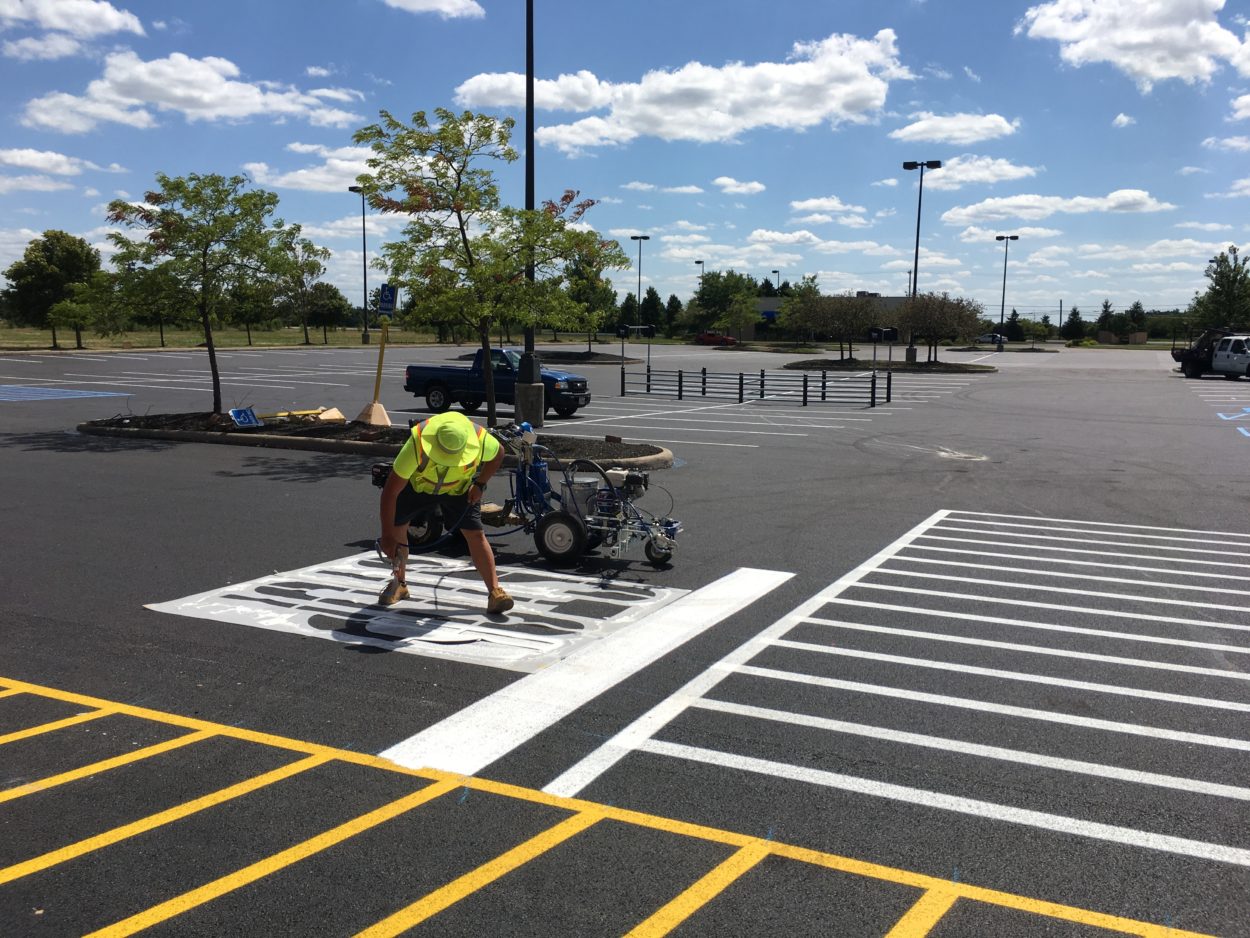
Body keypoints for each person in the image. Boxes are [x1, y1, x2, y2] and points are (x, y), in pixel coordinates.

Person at [377, 411, 513, 614]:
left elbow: (499, 453)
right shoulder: (417, 444)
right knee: (398, 530)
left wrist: (480, 484)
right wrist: (387, 535)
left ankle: (495, 592)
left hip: (458, 489)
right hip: (418, 487)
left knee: (476, 534)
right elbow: (391, 492)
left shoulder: (479, 439)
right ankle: (399, 584)